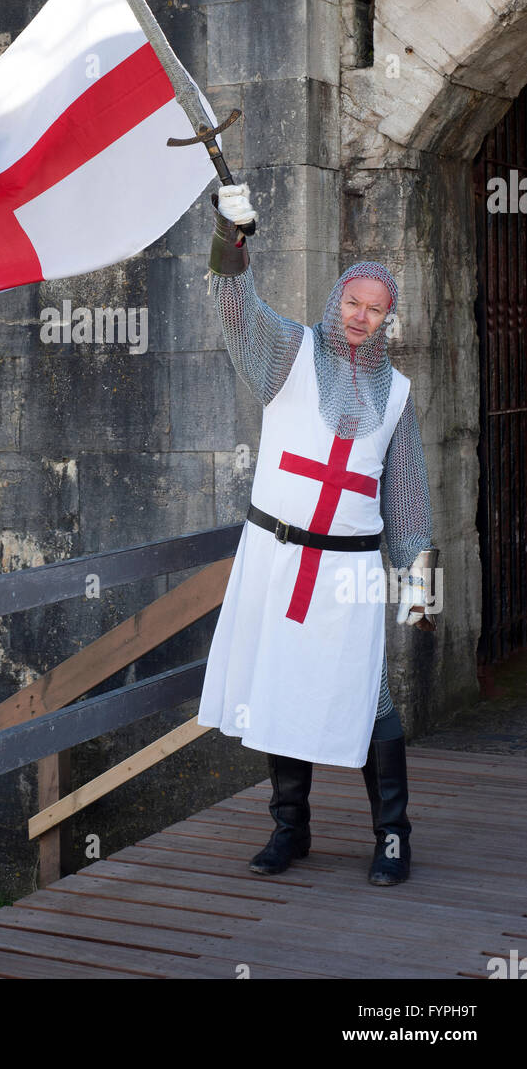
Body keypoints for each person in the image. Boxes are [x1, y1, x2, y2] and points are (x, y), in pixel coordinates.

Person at [197, 182, 439, 886]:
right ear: (336, 301)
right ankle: (288, 830)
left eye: (376, 309)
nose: (361, 318)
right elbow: (237, 309)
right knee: (278, 683)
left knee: (371, 698)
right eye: (352, 303)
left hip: (350, 572)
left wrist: (419, 590)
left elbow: (406, 497)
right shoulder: (291, 354)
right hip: (276, 556)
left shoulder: (394, 393)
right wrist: (229, 237)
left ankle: (392, 836)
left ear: (388, 318)